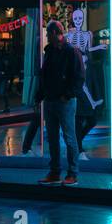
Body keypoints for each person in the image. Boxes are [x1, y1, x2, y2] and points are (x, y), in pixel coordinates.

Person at [35, 19, 85, 186]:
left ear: (56, 33)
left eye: (49, 34)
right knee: (54, 138)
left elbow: (79, 78)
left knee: (69, 137)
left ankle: (71, 173)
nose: (47, 37)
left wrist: (68, 95)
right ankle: (56, 172)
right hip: (52, 99)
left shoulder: (71, 52)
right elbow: (45, 76)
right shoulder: (51, 51)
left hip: (64, 101)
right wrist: (40, 96)